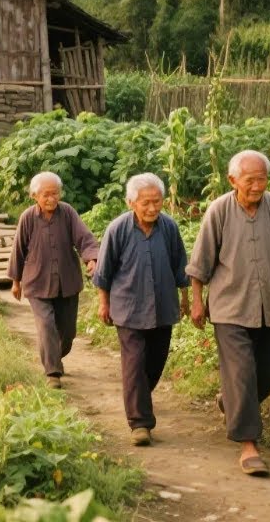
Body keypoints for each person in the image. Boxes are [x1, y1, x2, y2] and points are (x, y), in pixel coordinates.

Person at [187, 150, 270, 476]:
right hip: (229, 307)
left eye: (262, 179)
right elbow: (201, 259)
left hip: (268, 305)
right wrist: (196, 300)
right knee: (242, 372)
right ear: (233, 180)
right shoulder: (219, 210)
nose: (257, 186)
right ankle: (249, 446)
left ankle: (232, 403)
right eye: (250, 180)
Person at [92, 173, 189, 446]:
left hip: (162, 308)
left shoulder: (169, 228)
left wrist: (185, 299)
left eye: (157, 202)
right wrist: (104, 302)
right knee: (134, 363)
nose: (152, 208)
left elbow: (180, 265)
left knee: (155, 363)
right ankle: (140, 423)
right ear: (131, 202)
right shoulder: (117, 229)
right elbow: (104, 271)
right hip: (128, 308)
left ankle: (138, 399)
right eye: (146, 203)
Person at [7, 171, 100, 389]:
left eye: (55, 194)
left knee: (68, 332)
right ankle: (52, 372)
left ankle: (56, 357)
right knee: (46, 325)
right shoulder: (28, 218)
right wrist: (16, 280)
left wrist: (91, 259)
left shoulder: (67, 213)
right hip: (37, 283)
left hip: (67, 281)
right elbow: (18, 250)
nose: (51, 199)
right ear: (34, 196)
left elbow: (84, 238)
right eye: (46, 195)